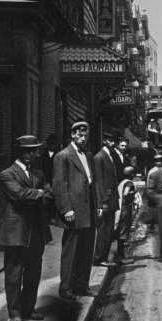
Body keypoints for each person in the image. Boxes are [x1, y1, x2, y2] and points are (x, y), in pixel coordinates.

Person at [0, 135, 53, 321]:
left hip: (36, 230)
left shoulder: (38, 174)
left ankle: (29, 309)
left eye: (34, 150)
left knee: (33, 272)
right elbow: (19, 195)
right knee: (14, 273)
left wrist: (38, 195)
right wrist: (38, 194)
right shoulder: (7, 174)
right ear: (19, 152)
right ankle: (15, 312)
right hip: (16, 231)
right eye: (28, 150)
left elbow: (49, 195)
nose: (32, 154)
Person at [52, 121, 99, 301]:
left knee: (86, 251)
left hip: (89, 211)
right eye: (79, 135)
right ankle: (66, 289)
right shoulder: (63, 156)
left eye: (85, 135)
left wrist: (98, 206)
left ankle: (81, 286)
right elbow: (59, 185)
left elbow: (91, 182)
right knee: (71, 252)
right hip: (74, 211)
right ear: (72, 135)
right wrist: (66, 209)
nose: (83, 138)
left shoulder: (88, 155)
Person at [92, 131, 121, 267]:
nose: (113, 143)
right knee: (103, 230)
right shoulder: (99, 157)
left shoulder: (109, 155)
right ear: (104, 141)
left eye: (114, 140)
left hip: (111, 199)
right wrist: (101, 203)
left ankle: (104, 256)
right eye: (110, 140)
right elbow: (98, 182)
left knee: (109, 230)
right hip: (105, 200)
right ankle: (99, 258)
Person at [114, 166, 139, 263]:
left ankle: (120, 255)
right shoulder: (129, 183)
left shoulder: (122, 182)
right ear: (131, 174)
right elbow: (126, 193)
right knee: (124, 231)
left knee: (120, 230)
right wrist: (134, 192)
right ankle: (121, 257)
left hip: (120, 207)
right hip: (125, 208)